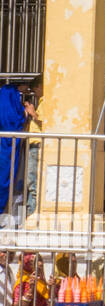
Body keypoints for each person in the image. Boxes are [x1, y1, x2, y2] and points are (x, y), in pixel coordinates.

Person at [0, 85, 27, 222]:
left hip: (3, 149)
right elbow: (20, 123)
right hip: (14, 151)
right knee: (13, 181)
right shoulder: (19, 113)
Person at [21, 80, 44, 221]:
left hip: (36, 145)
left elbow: (46, 122)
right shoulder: (42, 102)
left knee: (32, 180)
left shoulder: (47, 102)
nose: (35, 93)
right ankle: (30, 212)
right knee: (30, 181)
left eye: (35, 90)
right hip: (33, 144)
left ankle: (32, 213)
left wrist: (33, 113)